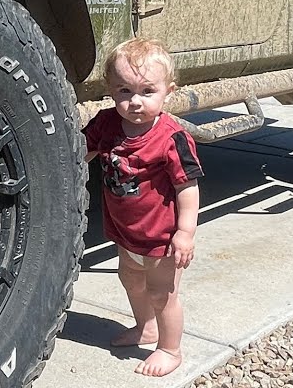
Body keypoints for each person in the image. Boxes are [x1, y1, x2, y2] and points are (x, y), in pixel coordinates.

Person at [83, 37, 203, 377]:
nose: (135, 101)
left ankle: (170, 349)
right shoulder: (105, 123)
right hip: (125, 232)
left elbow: (187, 187)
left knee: (162, 294)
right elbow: (81, 151)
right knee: (131, 279)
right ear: (110, 89)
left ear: (168, 91)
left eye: (147, 91)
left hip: (161, 238)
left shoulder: (171, 138)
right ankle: (145, 327)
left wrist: (185, 233)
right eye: (124, 91)